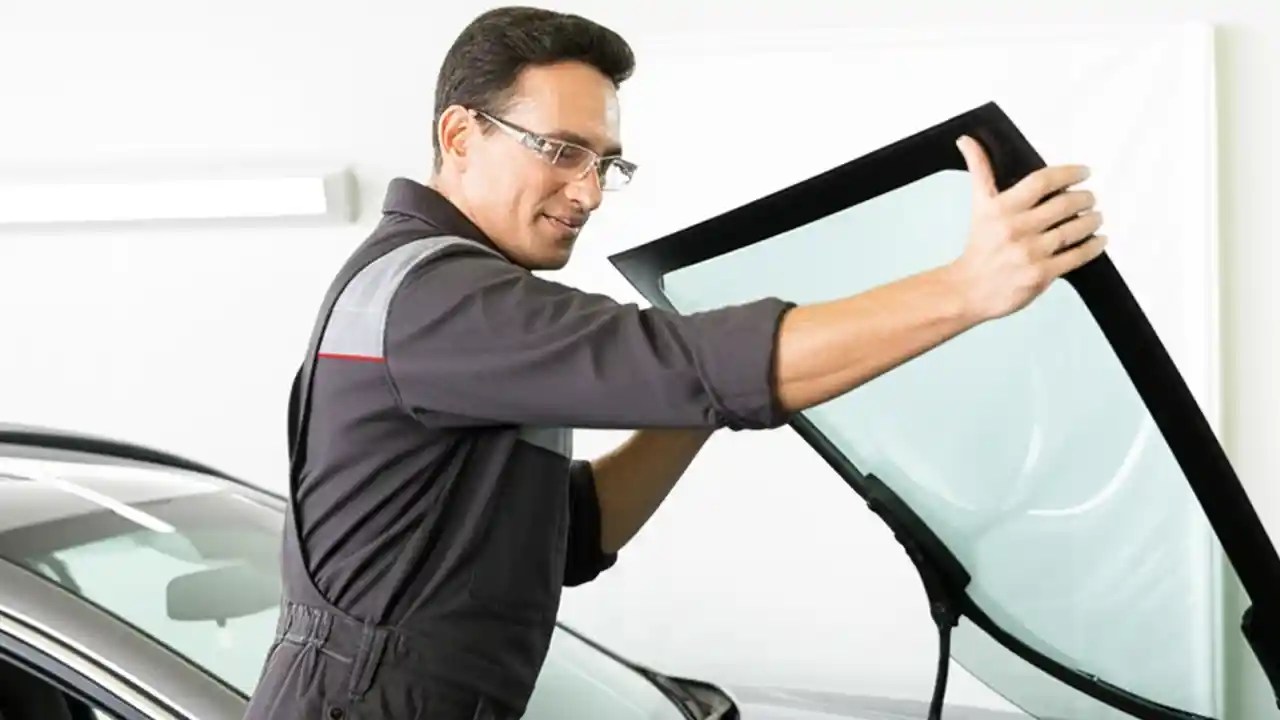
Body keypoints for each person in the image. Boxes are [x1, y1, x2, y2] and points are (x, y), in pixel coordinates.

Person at [243, 6, 1106, 720]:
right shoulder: (437, 299)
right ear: (461, 135)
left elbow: (575, 535)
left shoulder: (465, 315)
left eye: (604, 162)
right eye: (562, 150)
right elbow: (682, 365)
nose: (587, 191)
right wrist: (967, 288)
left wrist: (709, 391)